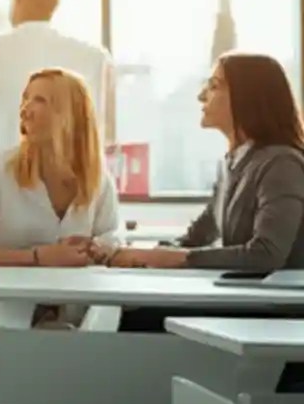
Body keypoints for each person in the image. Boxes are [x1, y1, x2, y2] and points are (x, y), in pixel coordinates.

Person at [0, 68, 121, 404]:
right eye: (25, 99)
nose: (25, 108)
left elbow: (112, 235)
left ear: (69, 113)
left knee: (101, 332)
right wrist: (39, 257)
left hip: (71, 306)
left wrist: (99, 248)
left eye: (39, 100)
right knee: (43, 347)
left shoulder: (97, 179)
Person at [110, 53, 304, 272]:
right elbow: (196, 238)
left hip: (275, 304)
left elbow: (266, 255)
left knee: (127, 307)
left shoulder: (281, 164)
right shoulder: (232, 163)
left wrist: (171, 258)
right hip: (243, 297)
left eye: (213, 86)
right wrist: (129, 254)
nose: (201, 96)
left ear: (246, 97)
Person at [0, 0, 116, 156]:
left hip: (9, 171)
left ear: (20, 3)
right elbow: (101, 124)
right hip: (67, 170)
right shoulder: (89, 56)